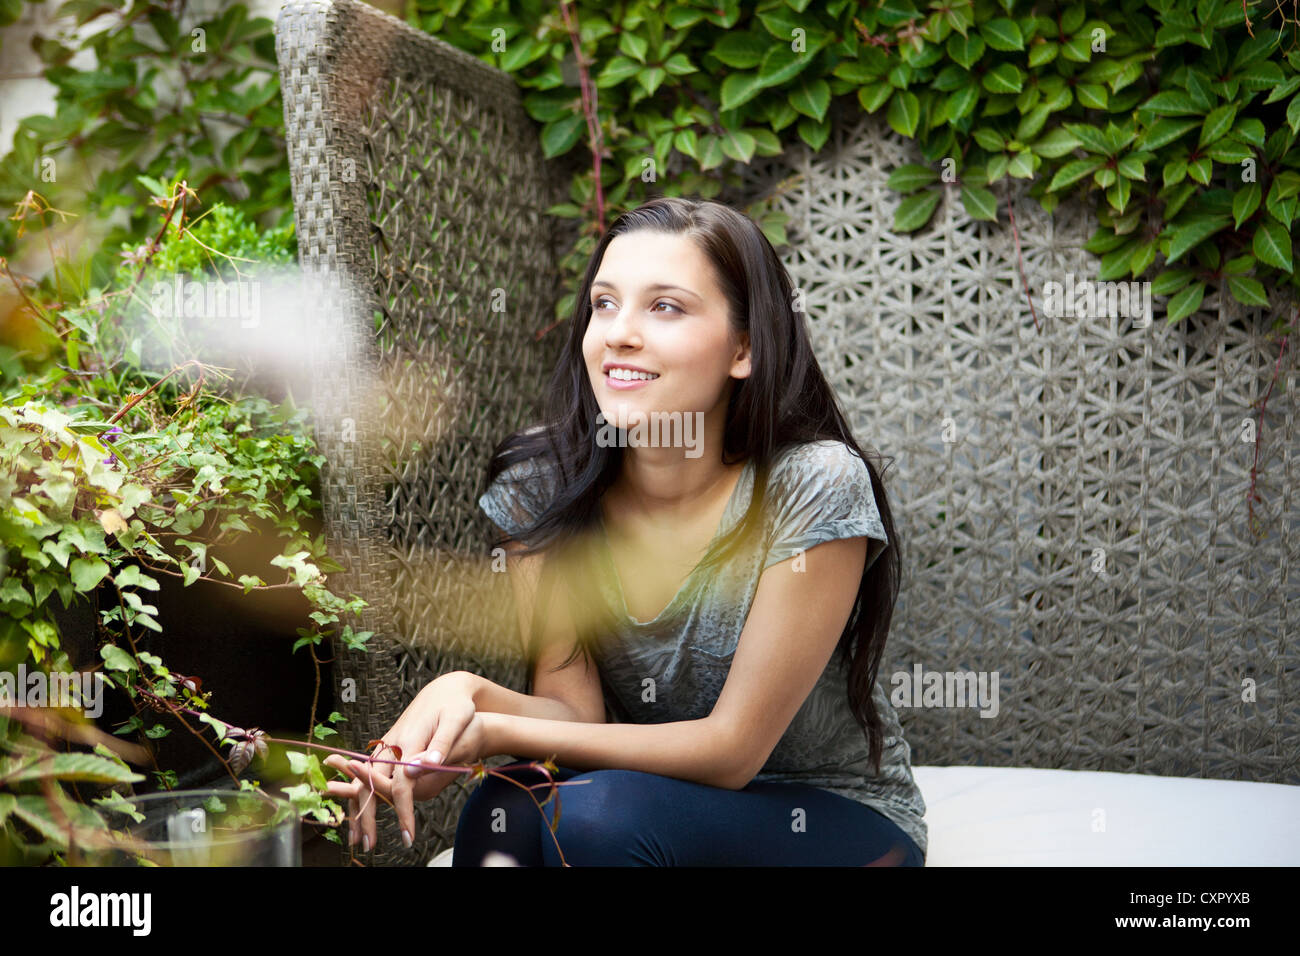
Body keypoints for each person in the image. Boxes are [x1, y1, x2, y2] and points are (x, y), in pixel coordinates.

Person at [324, 196, 927, 866]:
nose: (617, 333)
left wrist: (493, 729)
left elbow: (733, 751)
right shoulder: (542, 488)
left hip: (823, 811)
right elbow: (574, 717)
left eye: (664, 306)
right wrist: (463, 698)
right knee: (504, 808)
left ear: (744, 348)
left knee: (594, 819)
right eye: (604, 304)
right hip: (645, 799)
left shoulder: (813, 483)